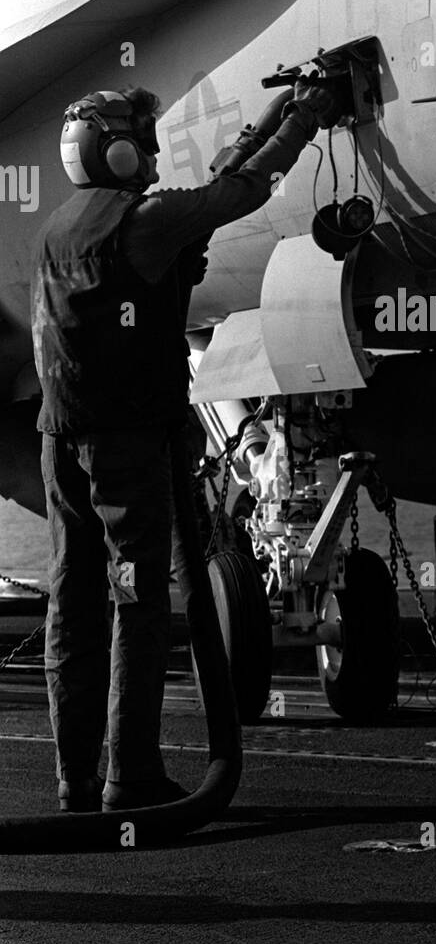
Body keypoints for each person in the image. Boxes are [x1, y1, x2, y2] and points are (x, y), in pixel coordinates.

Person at [31, 77, 342, 812]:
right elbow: (246, 190)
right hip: (127, 447)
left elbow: (187, 225)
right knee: (137, 602)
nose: (146, 154)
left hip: (61, 442)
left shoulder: (59, 227)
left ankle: (75, 778)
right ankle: (128, 776)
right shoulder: (146, 220)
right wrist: (310, 116)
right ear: (115, 152)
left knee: (73, 607)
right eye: (138, 142)